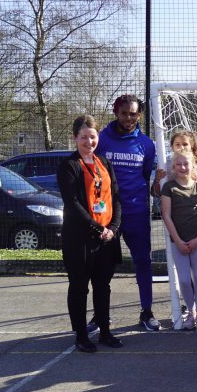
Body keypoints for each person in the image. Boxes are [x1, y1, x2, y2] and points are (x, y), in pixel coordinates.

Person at [57, 115, 124, 352]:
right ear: (75, 138)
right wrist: (97, 229)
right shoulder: (69, 166)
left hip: (106, 237)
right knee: (79, 287)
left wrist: (113, 228)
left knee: (102, 286)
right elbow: (72, 203)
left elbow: (115, 198)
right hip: (80, 239)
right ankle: (82, 336)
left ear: (98, 138)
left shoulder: (104, 163)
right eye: (83, 137)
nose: (88, 141)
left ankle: (105, 331)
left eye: (92, 136)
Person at [96, 95, 159, 331]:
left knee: (143, 261)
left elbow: (145, 177)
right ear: (116, 113)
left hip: (136, 213)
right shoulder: (102, 140)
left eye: (133, 114)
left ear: (139, 115)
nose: (129, 118)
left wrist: (157, 185)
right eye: (125, 113)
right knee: (103, 266)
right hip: (108, 215)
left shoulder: (146, 144)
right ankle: (100, 315)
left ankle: (147, 311)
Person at [159, 149, 197, 333]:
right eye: (179, 164)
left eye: (186, 164)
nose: (182, 167)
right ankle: (191, 312)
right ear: (174, 167)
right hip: (178, 242)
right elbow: (166, 215)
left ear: (192, 165)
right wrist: (178, 240)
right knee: (183, 279)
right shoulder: (168, 187)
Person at [153, 130, 197, 240]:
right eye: (177, 144)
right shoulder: (165, 166)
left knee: (196, 250)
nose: (181, 147)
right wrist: (157, 180)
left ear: (192, 146)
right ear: (172, 146)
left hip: (195, 220)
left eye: (185, 144)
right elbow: (156, 193)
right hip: (174, 221)